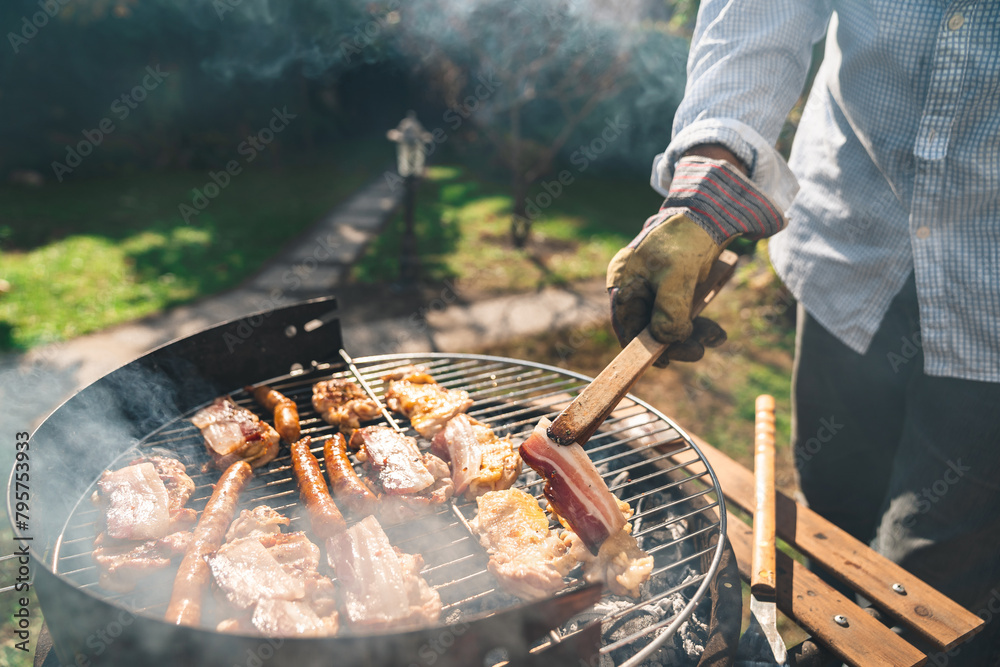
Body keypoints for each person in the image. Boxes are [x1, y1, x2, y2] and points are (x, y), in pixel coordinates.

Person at [606, 2, 1000, 663]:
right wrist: (708, 192)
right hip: (849, 249)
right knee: (832, 516)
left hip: (989, 305)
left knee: (930, 594)